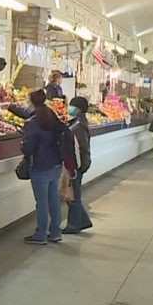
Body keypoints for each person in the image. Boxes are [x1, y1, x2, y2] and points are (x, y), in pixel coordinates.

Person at [21, 90, 68, 245]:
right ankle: (55, 232)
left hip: (40, 165)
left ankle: (41, 234)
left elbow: (28, 147)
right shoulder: (51, 116)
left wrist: (23, 143)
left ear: (32, 102)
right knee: (53, 199)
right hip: (55, 163)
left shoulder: (33, 122)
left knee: (41, 202)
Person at [64, 96, 93, 234]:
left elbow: (78, 148)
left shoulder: (78, 126)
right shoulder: (80, 123)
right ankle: (83, 221)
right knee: (74, 194)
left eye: (71, 106)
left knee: (73, 196)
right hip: (80, 164)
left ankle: (74, 225)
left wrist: (74, 167)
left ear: (78, 109)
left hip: (77, 165)